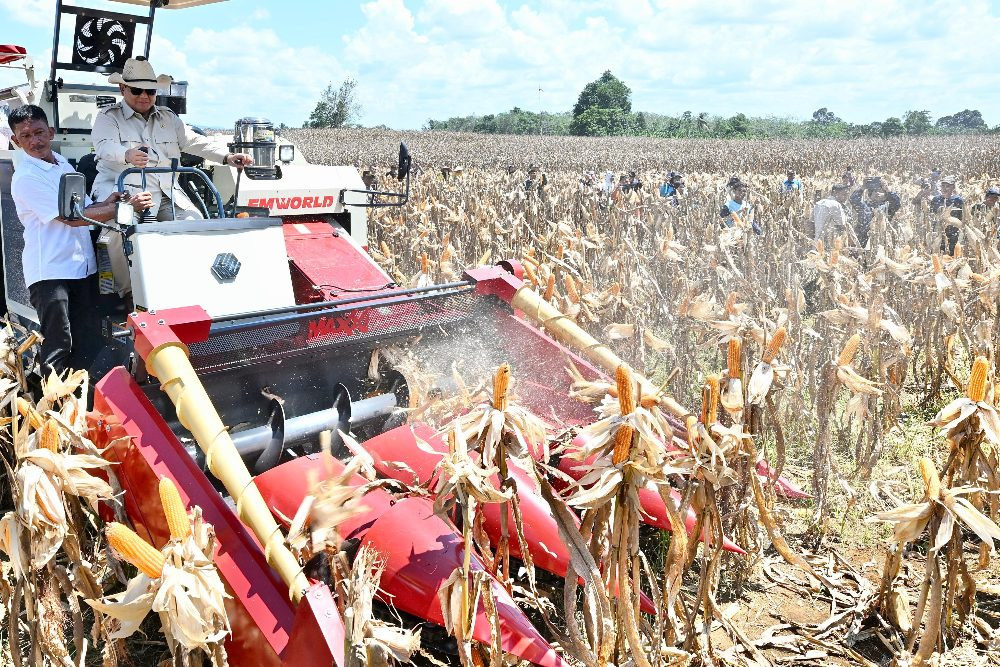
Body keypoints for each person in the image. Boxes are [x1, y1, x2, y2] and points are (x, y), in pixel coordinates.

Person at [7, 105, 151, 377]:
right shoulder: (26, 177)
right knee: (60, 344)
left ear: (50, 132)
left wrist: (109, 202)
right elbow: (72, 218)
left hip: (82, 269)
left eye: (39, 132)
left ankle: (80, 404)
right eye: (25, 136)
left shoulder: (62, 164)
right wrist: (126, 208)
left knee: (87, 340)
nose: (34, 141)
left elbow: (86, 208)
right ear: (15, 141)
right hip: (51, 274)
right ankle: (57, 410)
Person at [91, 57, 253, 222]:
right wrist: (126, 154)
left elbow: (194, 141)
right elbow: (104, 146)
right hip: (124, 195)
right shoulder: (108, 117)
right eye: (137, 90)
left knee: (195, 224)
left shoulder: (168, 117)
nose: (144, 96)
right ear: (122, 88)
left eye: (151, 91)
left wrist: (227, 157)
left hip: (168, 195)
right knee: (122, 228)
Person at [849, 176, 900, 247]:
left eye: (880, 191)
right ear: (870, 195)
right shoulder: (864, 206)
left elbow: (897, 202)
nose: (877, 193)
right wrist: (862, 188)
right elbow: (853, 199)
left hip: (881, 242)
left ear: (885, 196)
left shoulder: (887, 207)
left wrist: (887, 189)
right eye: (875, 191)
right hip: (863, 240)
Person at [930, 176, 964, 255]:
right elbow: (931, 216)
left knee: (952, 255)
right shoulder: (936, 200)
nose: (945, 189)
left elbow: (962, 218)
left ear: (953, 188)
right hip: (939, 233)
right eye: (943, 186)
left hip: (953, 234)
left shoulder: (958, 200)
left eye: (947, 186)